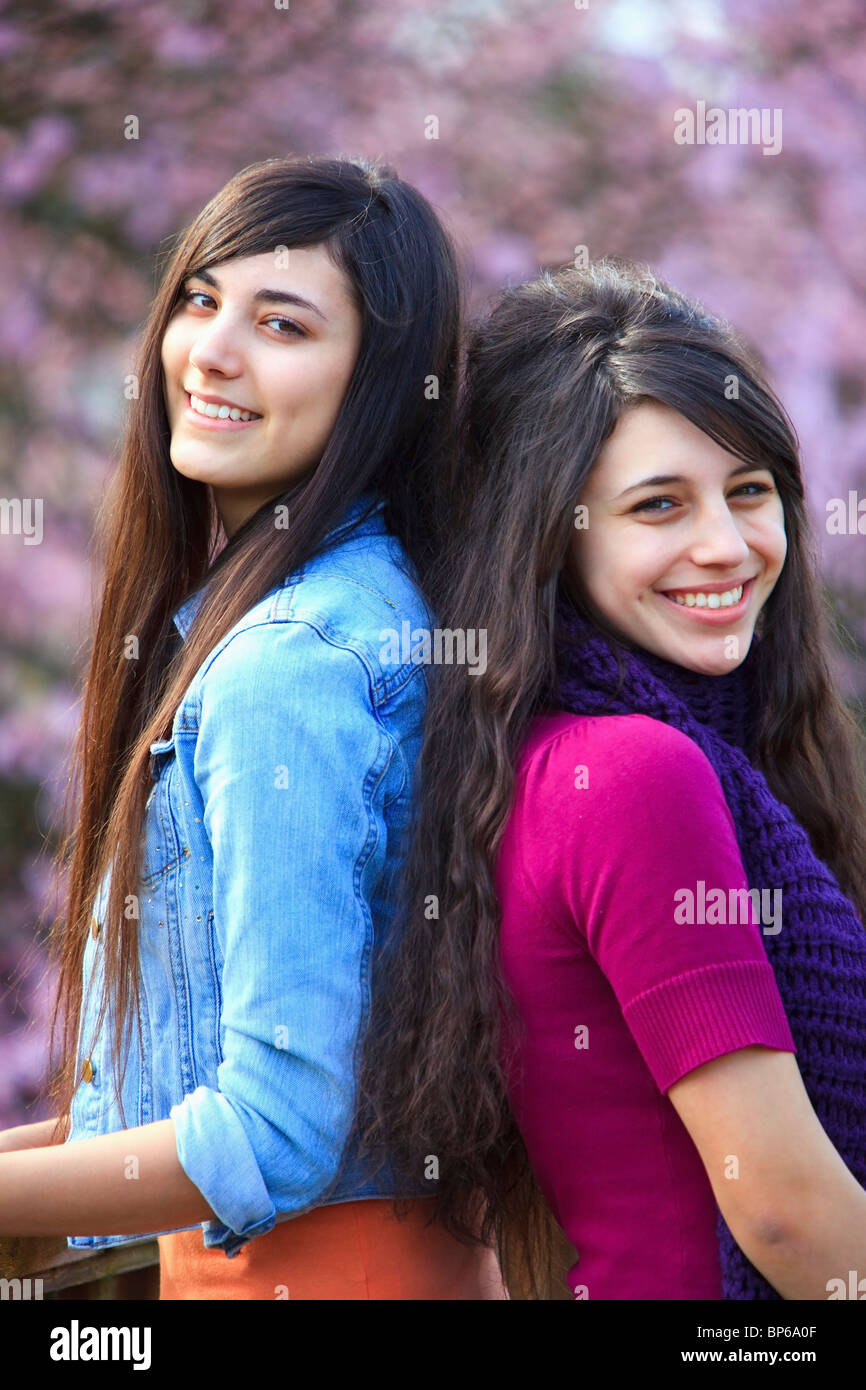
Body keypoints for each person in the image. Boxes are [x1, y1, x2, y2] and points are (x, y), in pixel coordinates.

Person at [0, 153, 506, 1300]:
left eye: (280, 323)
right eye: (199, 298)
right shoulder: (372, 614)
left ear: (377, 384)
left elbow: (271, 1131)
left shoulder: (291, 667)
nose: (212, 351)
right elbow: (166, 1103)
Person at [349, 258, 866, 1299]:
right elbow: (779, 1208)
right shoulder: (636, 775)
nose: (724, 546)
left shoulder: (542, 756)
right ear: (548, 536)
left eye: (748, 491)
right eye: (657, 506)